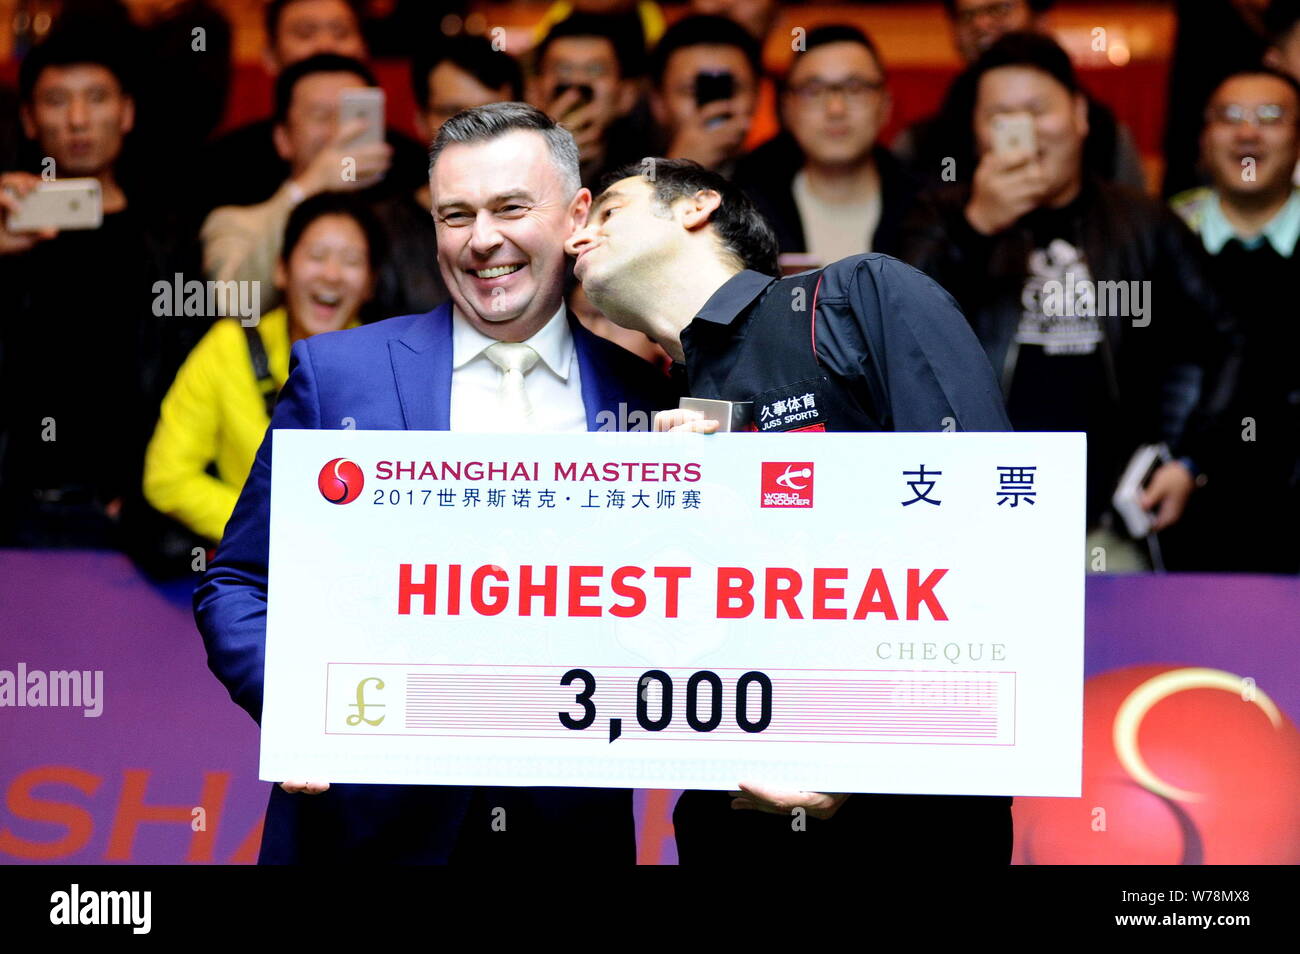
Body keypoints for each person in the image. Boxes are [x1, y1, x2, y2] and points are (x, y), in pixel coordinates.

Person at [193, 103, 676, 864]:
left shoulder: (649, 406)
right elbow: (238, 581)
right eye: (457, 215)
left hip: (565, 834)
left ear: (577, 215)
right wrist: (298, 710)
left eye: (511, 207)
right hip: (360, 826)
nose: (483, 239)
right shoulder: (340, 377)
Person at [566, 158, 1014, 864]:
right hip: (733, 806)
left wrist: (858, 752)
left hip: (908, 809)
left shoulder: (857, 295)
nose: (575, 239)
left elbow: (989, 522)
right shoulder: (659, 418)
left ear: (696, 208)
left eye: (608, 211)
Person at [900, 33, 1241, 571]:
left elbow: (1225, 339)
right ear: (976, 131)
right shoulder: (938, 216)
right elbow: (894, 334)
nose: (1026, 130)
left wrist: (1186, 458)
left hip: (1105, 521)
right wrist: (977, 227)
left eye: (1038, 109)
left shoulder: (1141, 221)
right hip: (966, 517)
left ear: (1080, 115)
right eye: (1001, 115)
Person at [0, 28, 201, 550]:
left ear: (126, 113)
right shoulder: (8, 232)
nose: (78, 120)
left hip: (135, 512)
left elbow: (190, 372)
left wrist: (143, 491)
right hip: (14, 504)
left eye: (96, 98)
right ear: (28, 118)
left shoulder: (173, 240)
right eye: (56, 101)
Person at [145, 194, 382, 545]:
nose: (331, 274)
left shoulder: (389, 361)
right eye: (316, 257)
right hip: (258, 569)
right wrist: (272, 528)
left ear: (370, 285)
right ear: (281, 270)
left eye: (351, 261)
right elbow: (167, 477)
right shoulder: (230, 348)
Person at [1165, 69, 1300, 573]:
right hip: (1176, 511)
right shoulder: (1159, 235)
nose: (1248, 133)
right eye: (1229, 117)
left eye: (1270, 116)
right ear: (1203, 137)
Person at [199, 54, 392, 315]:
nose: (339, 132)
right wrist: (313, 183)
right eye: (321, 116)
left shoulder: (404, 219)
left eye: (354, 116)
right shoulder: (236, 223)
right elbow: (236, 304)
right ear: (283, 139)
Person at [197, 0, 426, 214]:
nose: (325, 45)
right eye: (305, 33)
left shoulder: (413, 166)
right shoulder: (223, 167)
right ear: (269, 56)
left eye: (341, 32)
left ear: (363, 49)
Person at [895, 0, 1145, 192]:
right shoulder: (922, 143)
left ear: (1041, 20)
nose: (981, 24)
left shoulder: (1106, 134)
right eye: (967, 15)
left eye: (1000, 9)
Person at [734, 24, 919, 263]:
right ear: (787, 109)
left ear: (886, 105)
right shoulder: (747, 210)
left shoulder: (924, 206)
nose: (835, 109)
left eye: (854, 88)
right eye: (814, 91)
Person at [370, 33, 524, 317]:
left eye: (492, 113)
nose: (473, 130)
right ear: (420, 120)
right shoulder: (378, 229)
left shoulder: (553, 221)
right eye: (453, 113)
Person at [528, 12, 648, 189]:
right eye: (564, 71)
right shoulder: (506, 162)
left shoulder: (648, 170)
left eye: (595, 70)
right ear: (535, 92)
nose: (577, 84)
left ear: (626, 95)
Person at [649, 14, 762, 177]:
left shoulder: (785, 175)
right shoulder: (629, 177)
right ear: (658, 103)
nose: (715, 107)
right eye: (694, 90)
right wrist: (680, 170)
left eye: (729, 89)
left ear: (757, 95)